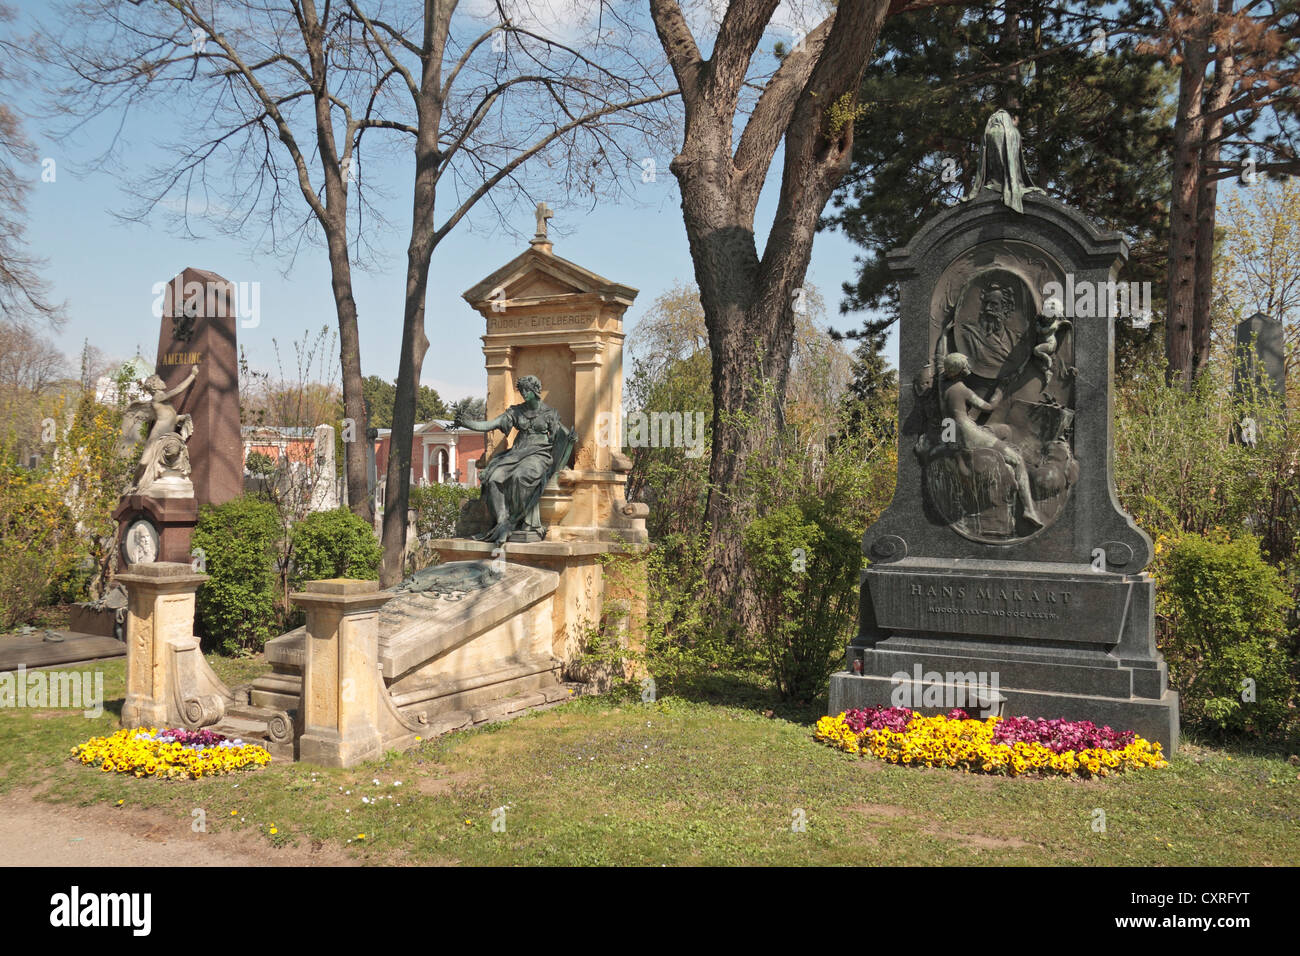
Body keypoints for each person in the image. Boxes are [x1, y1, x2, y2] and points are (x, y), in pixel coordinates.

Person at [454, 375, 574, 544]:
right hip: (517, 453)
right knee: (494, 477)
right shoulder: (515, 412)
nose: (523, 393)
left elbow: (560, 438)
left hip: (539, 454)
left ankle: (520, 522)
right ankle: (503, 522)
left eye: (526, 389)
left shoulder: (549, 413)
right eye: (521, 390)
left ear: (535, 390)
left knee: (520, 476)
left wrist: (569, 444)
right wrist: (466, 423)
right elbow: (490, 425)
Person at [940, 353, 1043, 527]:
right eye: (965, 365)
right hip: (969, 434)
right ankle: (1029, 510)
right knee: (1017, 459)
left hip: (955, 434)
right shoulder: (962, 389)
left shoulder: (943, 385)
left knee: (1001, 432)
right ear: (958, 370)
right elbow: (988, 408)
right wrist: (1000, 389)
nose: (968, 367)